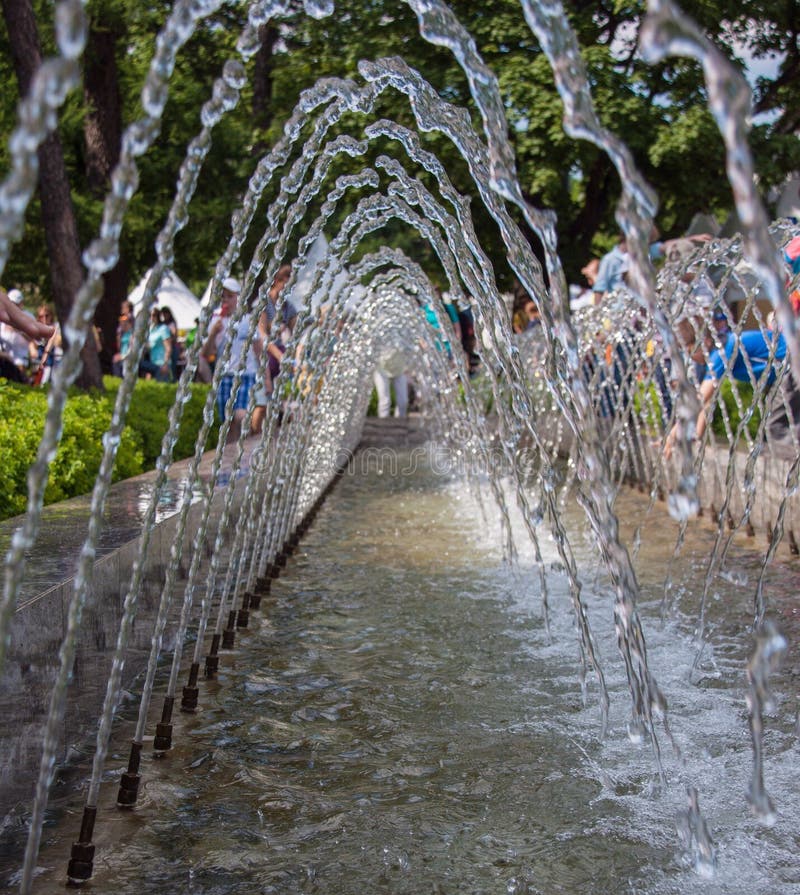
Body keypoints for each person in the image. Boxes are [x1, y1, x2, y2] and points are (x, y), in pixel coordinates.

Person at [663, 316, 786, 458]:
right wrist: (697, 437)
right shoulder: (720, 350)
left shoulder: (722, 353)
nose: (690, 358)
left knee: (776, 428)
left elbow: (699, 400)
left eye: (690, 351)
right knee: (774, 427)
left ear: (704, 342)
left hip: (792, 367)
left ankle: (786, 470)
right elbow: (707, 402)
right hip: (782, 376)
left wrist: (672, 435)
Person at [202, 277, 263, 442]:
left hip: (246, 374)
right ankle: (231, 459)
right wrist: (213, 333)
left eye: (230, 296)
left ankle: (249, 444)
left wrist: (265, 376)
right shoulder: (216, 321)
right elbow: (207, 354)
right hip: (224, 375)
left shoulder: (248, 320)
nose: (226, 300)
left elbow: (258, 348)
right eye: (223, 296)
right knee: (228, 423)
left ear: (239, 297)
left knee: (240, 416)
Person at [0, 288, 37, 376]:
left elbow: (34, 340)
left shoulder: (28, 317)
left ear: (21, 304)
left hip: (20, 360)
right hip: (4, 358)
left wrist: (18, 329)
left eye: (15, 304)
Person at [139, 307, 172, 381]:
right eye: (149, 315)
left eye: (153, 315)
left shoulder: (163, 328)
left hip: (161, 364)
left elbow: (168, 348)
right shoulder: (150, 330)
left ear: (158, 316)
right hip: (153, 363)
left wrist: (165, 364)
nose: (151, 317)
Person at [112, 300, 135, 377]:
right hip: (123, 352)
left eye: (123, 308)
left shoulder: (128, 318)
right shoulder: (125, 319)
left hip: (128, 355)